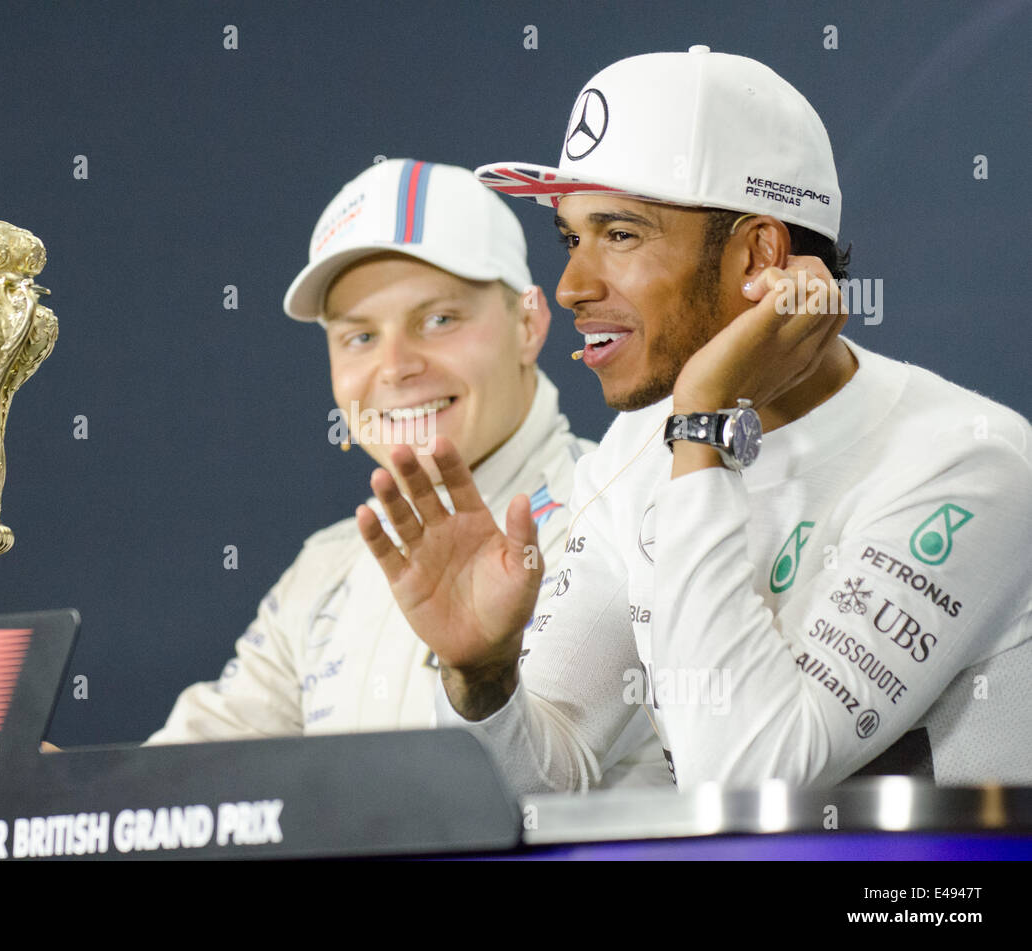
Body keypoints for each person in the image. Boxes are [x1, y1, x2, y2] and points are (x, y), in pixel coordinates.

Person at [356, 47, 1032, 792]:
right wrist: (483, 679)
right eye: (570, 238)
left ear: (756, 254)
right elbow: (543, 787)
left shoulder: (971, 461)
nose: (572, 285)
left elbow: (747, 781)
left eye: (619, 234)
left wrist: (703, 422)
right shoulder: (636, 451)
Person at [147, 160, 666, 785]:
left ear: (529, 324)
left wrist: (484, 679)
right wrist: (46, 789)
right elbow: (182, 790)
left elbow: (543, 791)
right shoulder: (326, 569)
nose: (395, 368)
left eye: (439, 320)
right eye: (359, 337)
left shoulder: (635, 515)